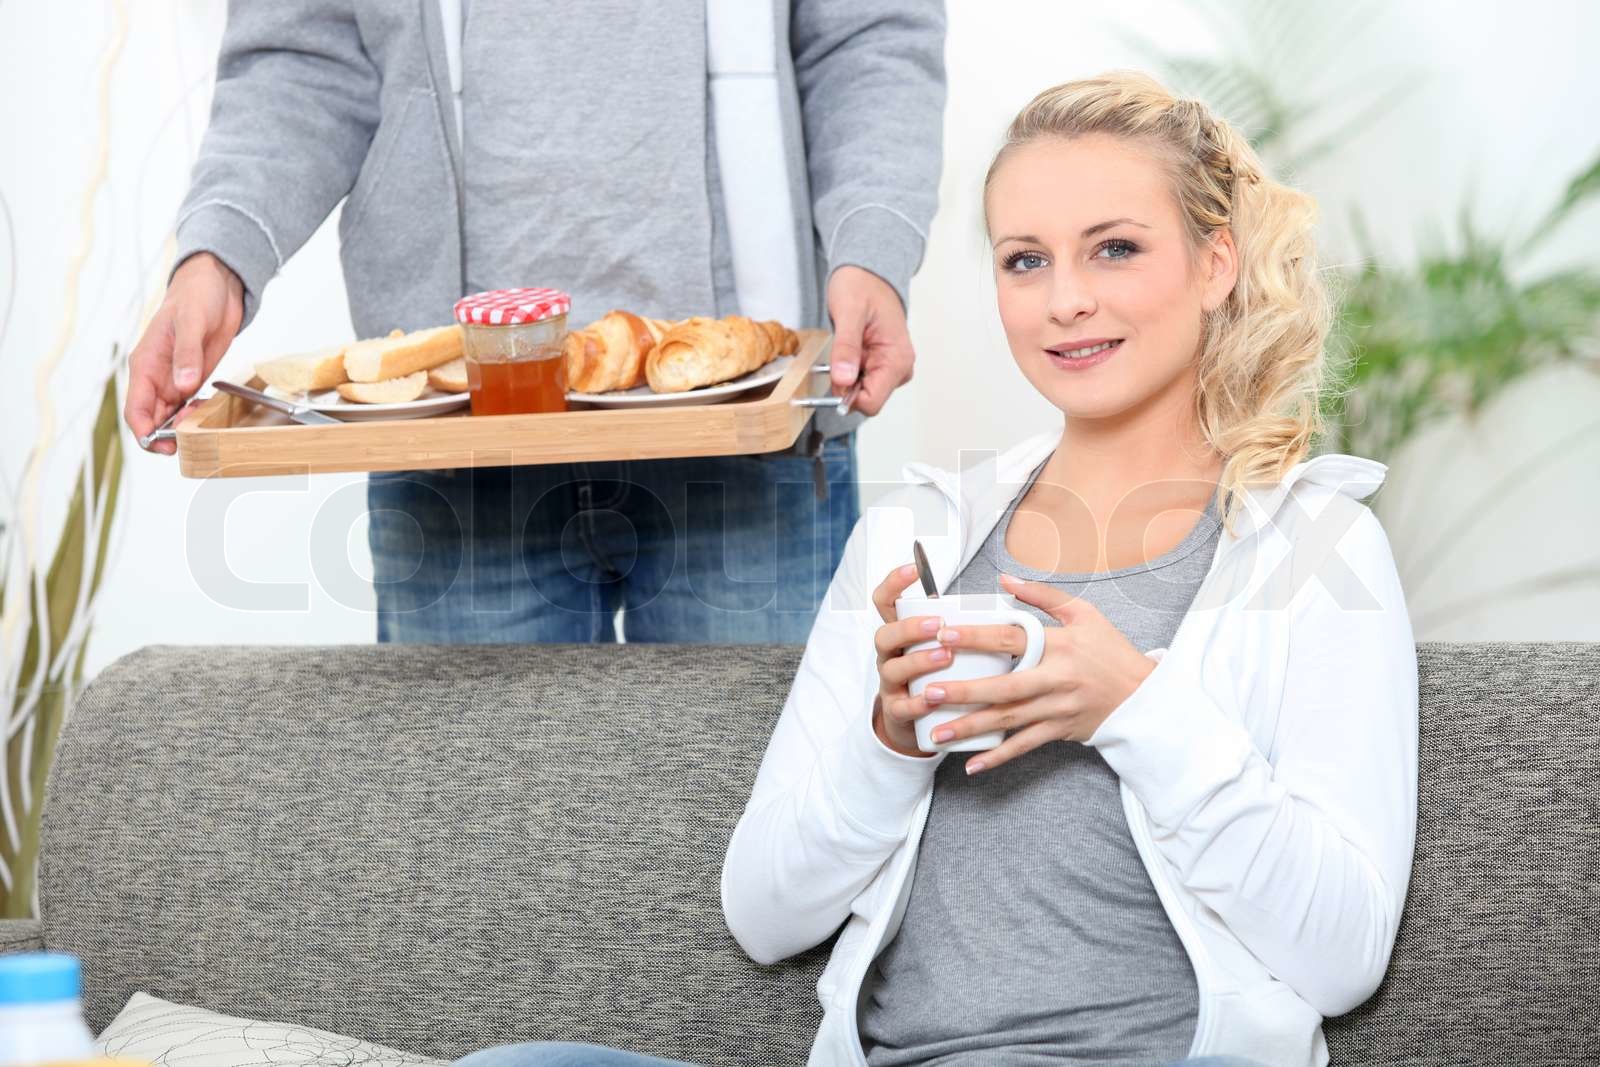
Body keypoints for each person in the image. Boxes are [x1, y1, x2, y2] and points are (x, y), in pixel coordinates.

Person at [453, 71, 1418, 1066]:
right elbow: (762, 912)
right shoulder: (912, 534)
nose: (1066, 301)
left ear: (1216, 262)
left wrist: (1135, 706)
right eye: (1024, 260)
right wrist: (888, 740)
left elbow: (1341, 952)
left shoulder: (1316, 546)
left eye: (1115, 248)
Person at [123, 1, 945, 645]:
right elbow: (302, 60)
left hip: (748, 431)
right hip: (452, 447)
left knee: (771, 836)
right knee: (478, 846)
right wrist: (220, 257)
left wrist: (870, 247)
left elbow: (867, 34)